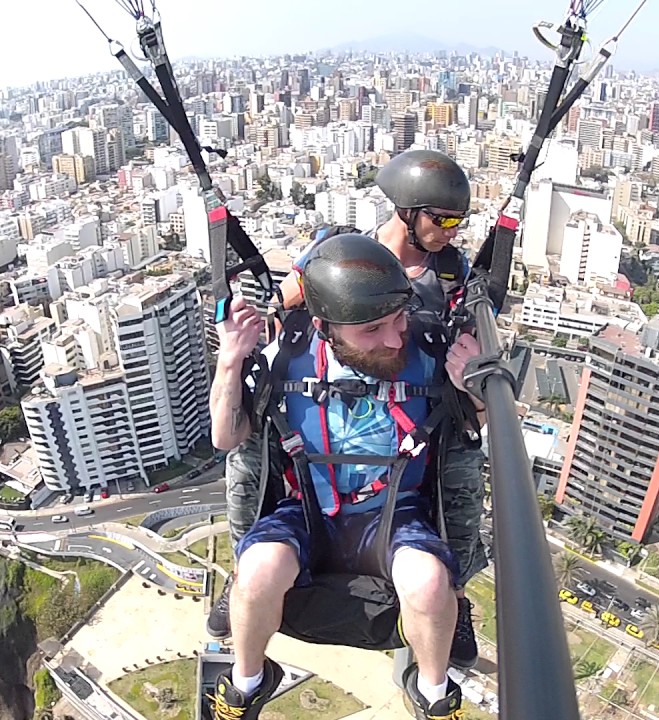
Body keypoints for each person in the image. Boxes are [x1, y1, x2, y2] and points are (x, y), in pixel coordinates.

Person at [210, 149, 489, 670]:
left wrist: (468, 376)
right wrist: (245, 351)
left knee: (449, 507)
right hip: (322, 447)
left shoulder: (447, 286)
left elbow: (466, 404)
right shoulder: (335, 264)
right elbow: (288, 301)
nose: (451, 232)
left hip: (405, 438)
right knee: (256, 518)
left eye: (458, 221)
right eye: (443, 219)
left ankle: (448, 615)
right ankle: (245, 621)